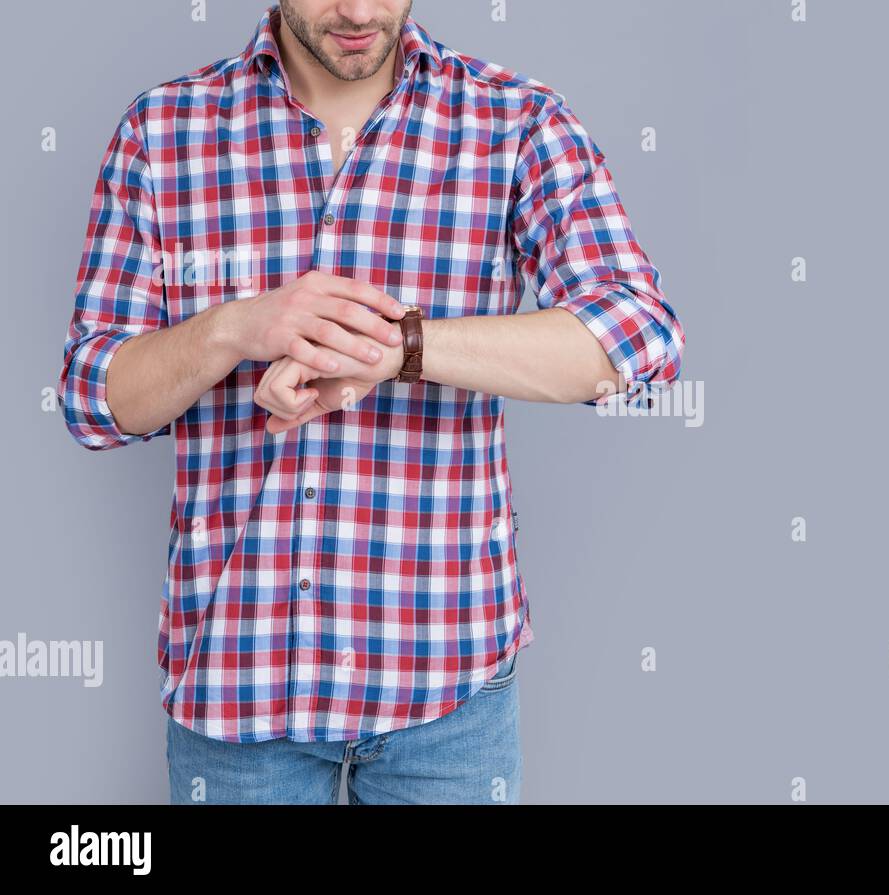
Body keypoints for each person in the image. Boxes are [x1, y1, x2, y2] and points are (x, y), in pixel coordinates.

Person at [58, 0, 684, 805]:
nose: (358, 10)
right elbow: (90, 396)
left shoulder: (515, 121)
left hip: (450, 694)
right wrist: (233, 329)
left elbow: (642, 346)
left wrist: (404, 350)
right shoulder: (161, 131)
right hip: (238, 686)